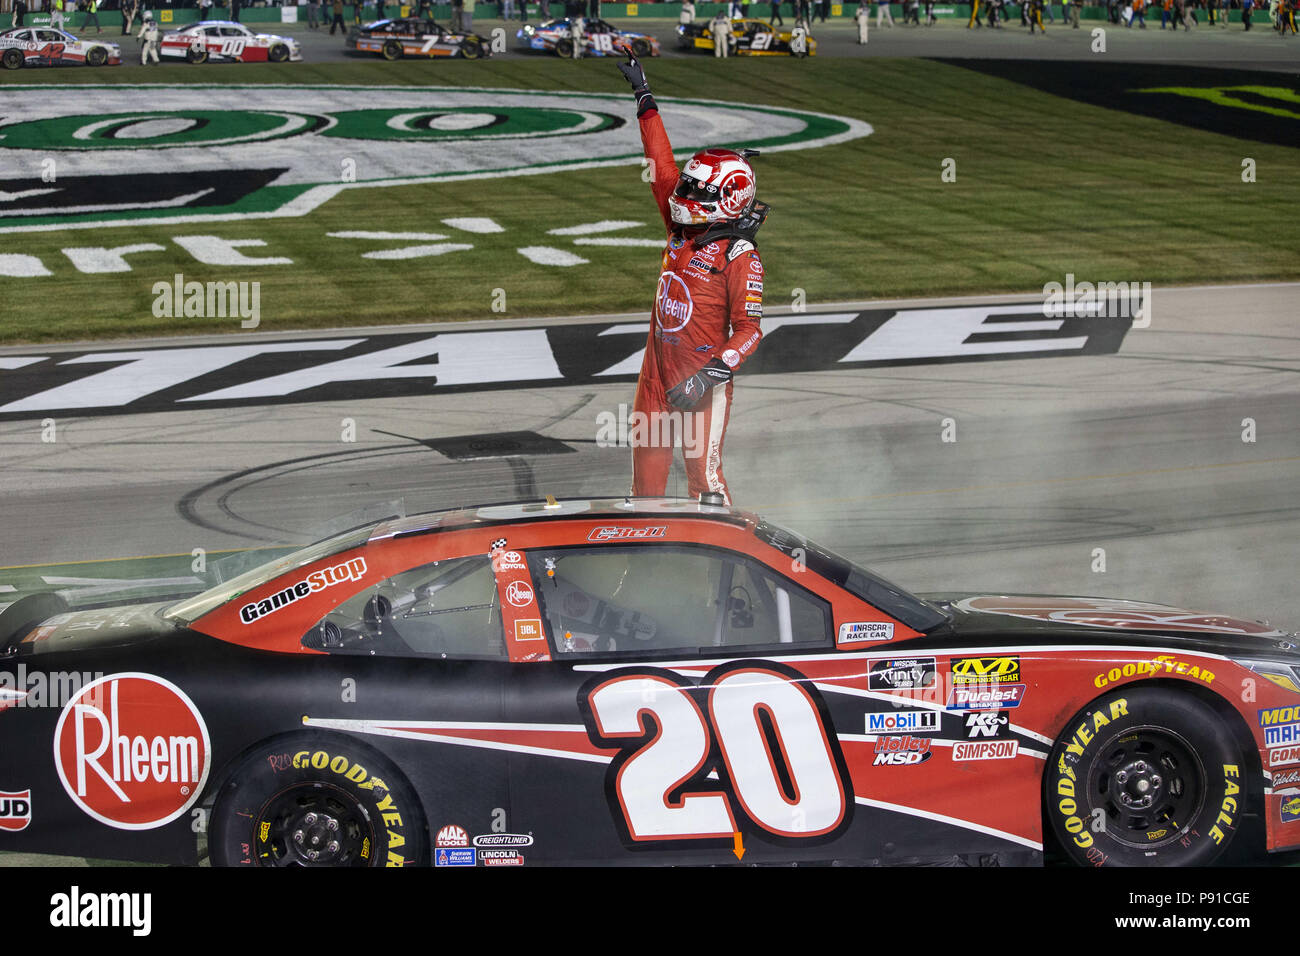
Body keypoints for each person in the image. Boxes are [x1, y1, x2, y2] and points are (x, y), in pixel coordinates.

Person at [616, 49, 766, 506]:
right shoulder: (679, 229)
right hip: (656, 379)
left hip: (703, 384)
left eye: (696, 189)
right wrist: (644, 96)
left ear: (729, 198)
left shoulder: (741, 256)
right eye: (688, 185)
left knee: (706, 488)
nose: (683, 192)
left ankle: (727, 565)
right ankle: (644, 558)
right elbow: (661, 165)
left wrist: (707, 377)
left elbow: (750, 331)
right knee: (645, 489)